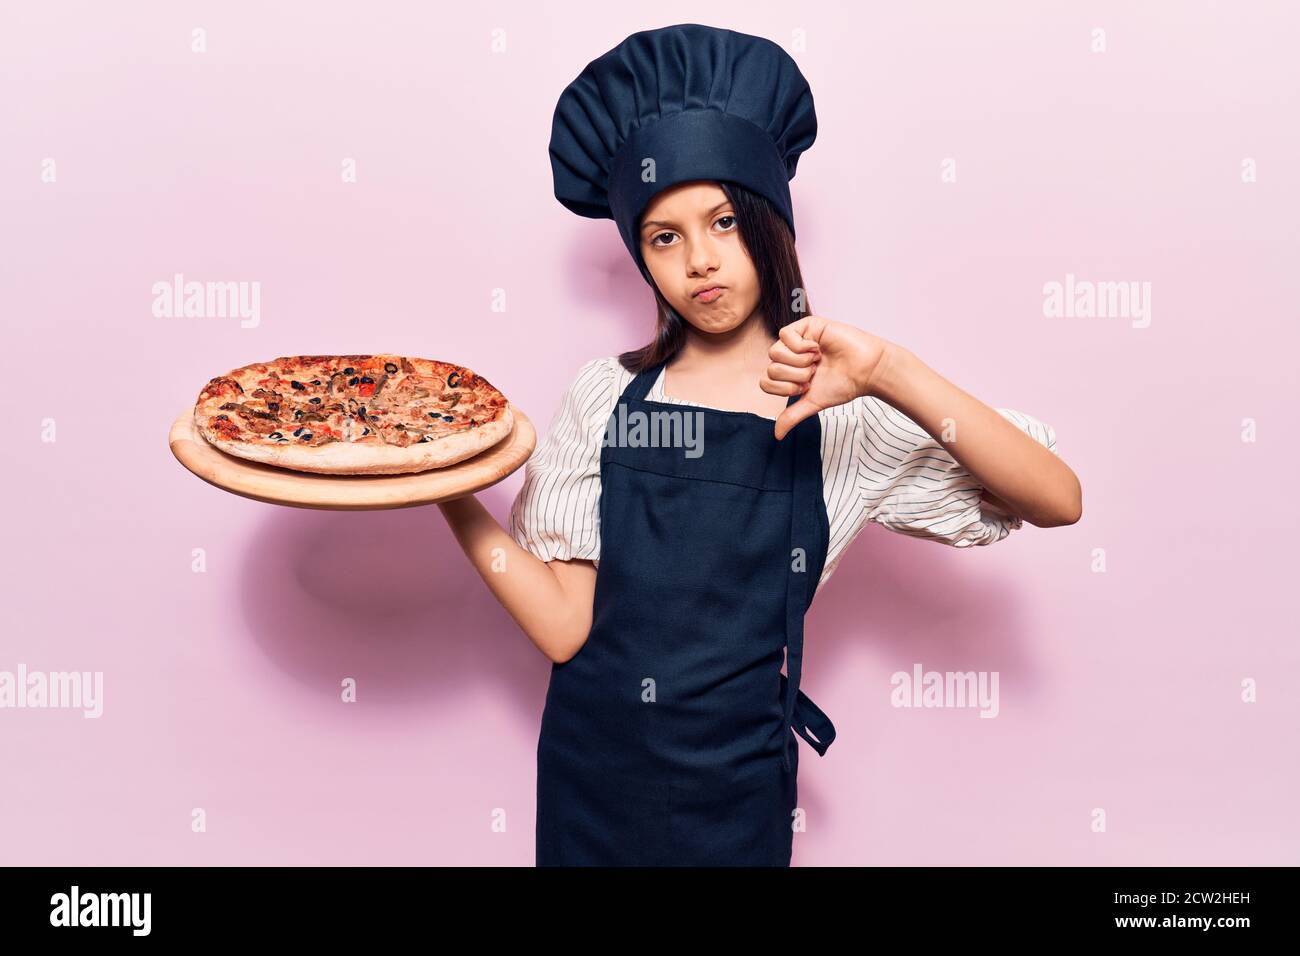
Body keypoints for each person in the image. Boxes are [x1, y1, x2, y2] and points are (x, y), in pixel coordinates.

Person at [438, 23, 1082, 866]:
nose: (700, 261)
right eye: (664, 237)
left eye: (724, 221)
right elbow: (564, 628)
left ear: (769, 224)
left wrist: (890, 368)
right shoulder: (608, 397)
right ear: (642, 258)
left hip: (733, 800)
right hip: (588, 788)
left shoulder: (839, 409)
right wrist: (444, 485)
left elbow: (1055, 499)